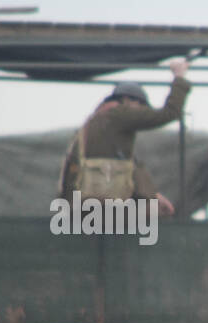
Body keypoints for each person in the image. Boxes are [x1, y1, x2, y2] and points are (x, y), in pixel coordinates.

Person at [59, 59, 192, 215]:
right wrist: (179, 76)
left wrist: (152, 195)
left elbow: (125, 164)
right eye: (140, 107)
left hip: (83, 205)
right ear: (128, 100)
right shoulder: (120, 113)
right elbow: (170, 113)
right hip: (106, 204)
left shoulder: (94, 121)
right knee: (154, 220)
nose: (141, 112)